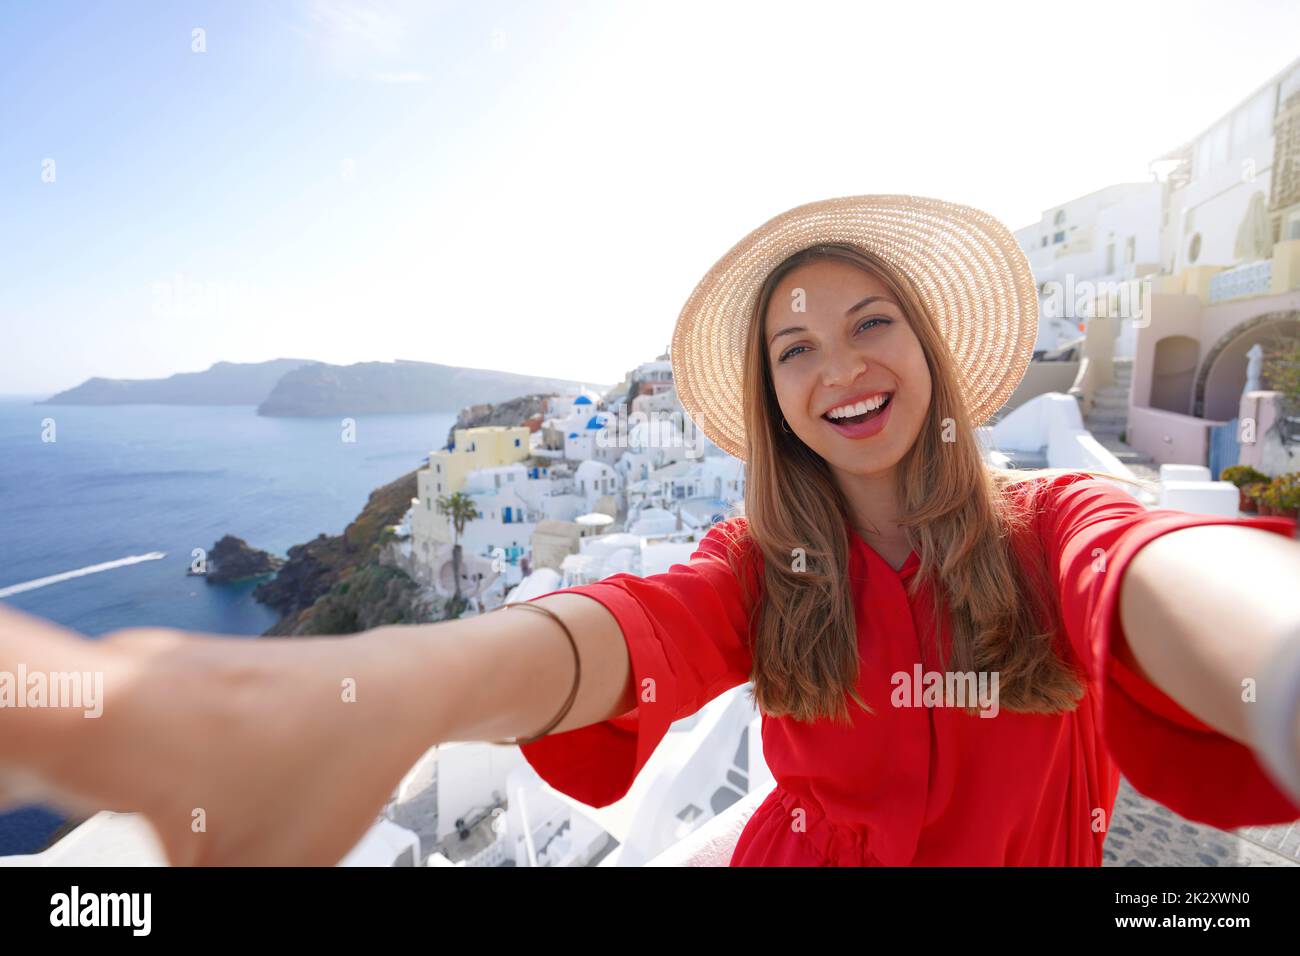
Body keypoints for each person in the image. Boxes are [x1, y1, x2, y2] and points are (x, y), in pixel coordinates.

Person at [3, 194, 1300, 866]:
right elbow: (619, 636)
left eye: (870, 323)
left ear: (931, 346)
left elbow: (1160, 576)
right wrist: (381, 694)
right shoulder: (764, 569)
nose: (837, 366)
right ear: (773, 398)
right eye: (794, 345)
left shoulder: (1054, 526)